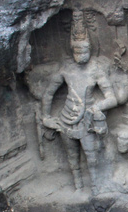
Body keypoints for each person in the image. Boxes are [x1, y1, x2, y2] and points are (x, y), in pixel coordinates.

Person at [41, 10, 120, 190]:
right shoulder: (66, 69)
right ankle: (78, 186)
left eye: (84, 49)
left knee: (91, 156)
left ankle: (94, 186)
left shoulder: (96, 70)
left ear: (90, 48)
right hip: (66, 118)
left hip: (87, 118)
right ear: (72, 49)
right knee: (72, 156)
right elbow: (48, 93)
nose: (81, 53)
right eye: (77, 50)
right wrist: (45, 116)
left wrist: (97, 107)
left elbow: (112, 98)